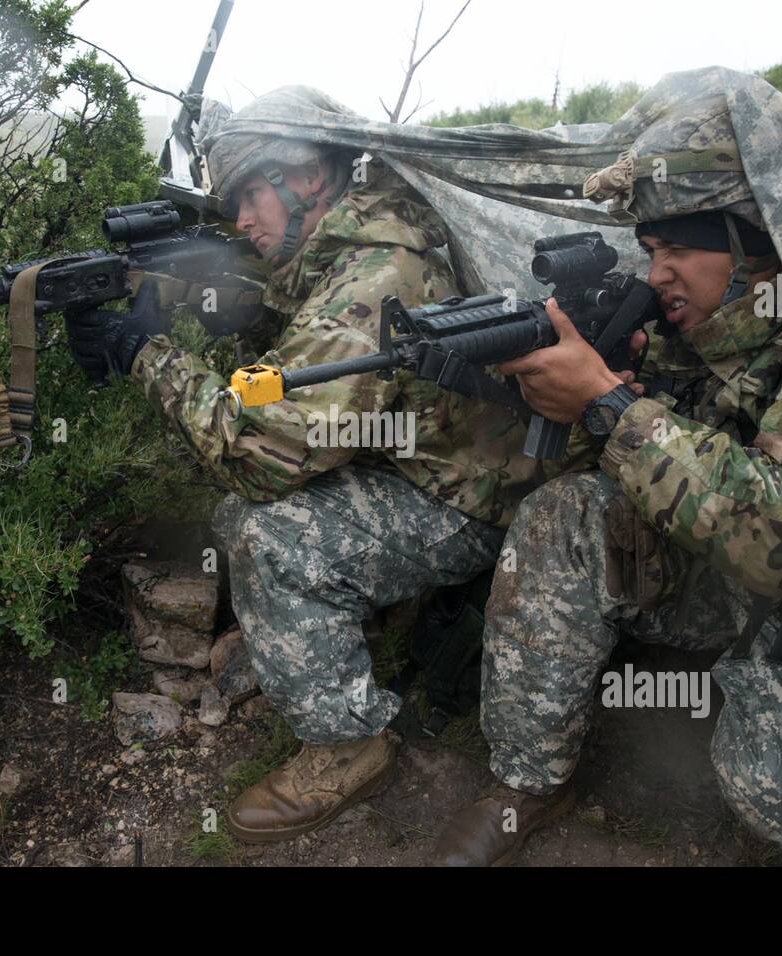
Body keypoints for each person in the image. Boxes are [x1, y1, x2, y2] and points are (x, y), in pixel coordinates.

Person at [64, 86, 540, 844]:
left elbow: (261, 454)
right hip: (412, 459)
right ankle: (319, 643)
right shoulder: (356, 237)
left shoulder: (378, 275)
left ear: (310, 178)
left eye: (251, 196)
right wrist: (177, 291)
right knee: (241, 519)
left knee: (269, 535)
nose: (243, 221)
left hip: (464, 497)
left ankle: (350, 743)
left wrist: (142, 354)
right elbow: (289, 308)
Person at [430, 199, 782, 867]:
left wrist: (609, 406)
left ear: (757, 248)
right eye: (648, 252)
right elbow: (664, 467)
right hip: (729, 576)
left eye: (676, 249)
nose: (658, 274)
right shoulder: (694, 331)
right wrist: (588, 398)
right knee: (566, 514)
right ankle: (528, 781)